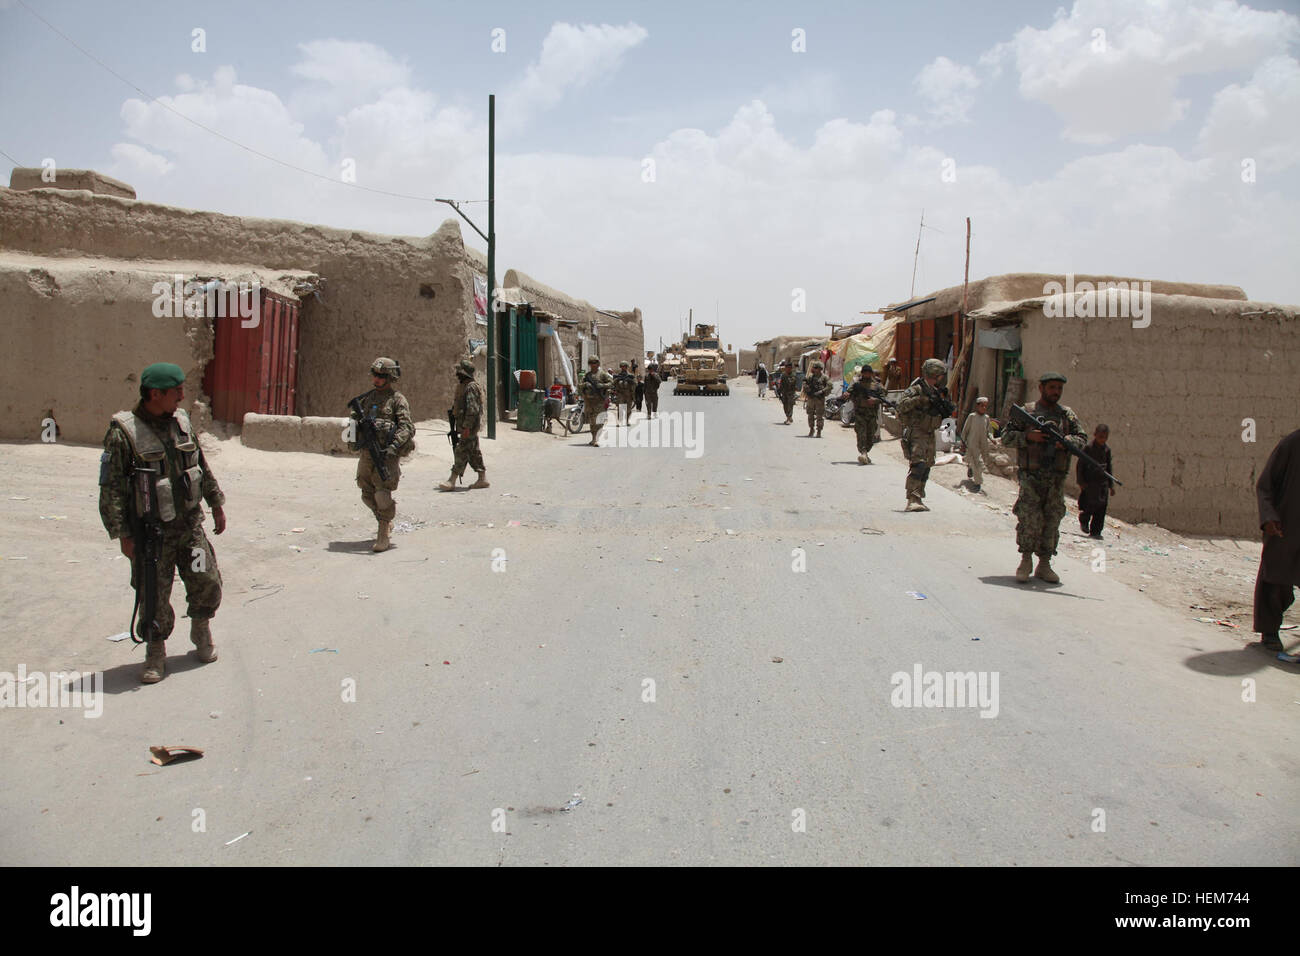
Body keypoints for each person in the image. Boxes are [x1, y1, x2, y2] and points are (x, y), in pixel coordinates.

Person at [99, 362, 226, 683]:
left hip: (189, 527)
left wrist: (216, 503)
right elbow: (111, 487)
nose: (182, 397)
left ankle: (201, 628)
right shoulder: (124, 433)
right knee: (153, 595)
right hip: (152, 534)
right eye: (176, 391)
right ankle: (155, 649)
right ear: (155, 394)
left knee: (206, 580)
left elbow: (200, 464)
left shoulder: (181, 422)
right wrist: (122, 534)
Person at [1001, 372, 1088, 583]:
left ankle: (1045, 564)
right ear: (1041, 388)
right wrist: (1028, 437)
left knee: (1052, 520)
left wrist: (1066, 442)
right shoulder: (1027, 412)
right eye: (1052, 388)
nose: (1056, 392)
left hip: (1056, 479)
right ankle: (1026, 560)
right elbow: (1005, 437)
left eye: (1059, 388)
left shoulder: (1066, 415)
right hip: (1031, 477)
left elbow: (1082, 439)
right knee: (1029, 518)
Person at [348, 357, 415, 551]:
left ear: (390, 377)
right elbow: (354, 421)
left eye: (381, 376)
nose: (376, 379)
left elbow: (406, 427)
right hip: (367, 453)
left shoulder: (397, 400)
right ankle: (384, 520)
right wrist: (354, 433)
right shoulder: (367, 399)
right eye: (375, 375)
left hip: (386, 454)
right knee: (366, 494)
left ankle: (383, 531)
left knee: (382, 494)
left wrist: (393, 447)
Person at [1253, 427, 1300, 653]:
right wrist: (1269, 517)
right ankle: (1269, 631)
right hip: (1286, 527)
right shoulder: (1293, 444)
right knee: (1275, 580)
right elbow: (1265, 485)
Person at [896, 358, 951, 512]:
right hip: (917, 432)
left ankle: (919, 496)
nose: (941, 378)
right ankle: (911, 498)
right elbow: (901, 405)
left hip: (929, 433)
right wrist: (920, 400)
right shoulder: (917, 389)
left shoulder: (936, 391)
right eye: (940, 374)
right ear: (934, 373)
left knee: (927, 466)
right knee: (918, 464)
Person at [439, 359, 489, 491]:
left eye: (459, 371)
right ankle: (482, 478)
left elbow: (472, 409)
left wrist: (467, 426)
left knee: (461, 451)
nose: (456, 374)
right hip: (465, 426)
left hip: (469, 426)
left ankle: (452, 479)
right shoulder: (463, 386)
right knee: (473, 452)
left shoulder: (471, 387)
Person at [1076, 424, 1117, 538]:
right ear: (1095, 435)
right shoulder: (1088, 448)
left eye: (1104, 437)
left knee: (1101, 509)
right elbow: (1080, 465)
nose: (1102, 439)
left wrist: (1111, 486)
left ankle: (1096, 532)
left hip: (1102, 483)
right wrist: (1081, 482)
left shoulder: (1106, 450)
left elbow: (1109, 468)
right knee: (1089, 505)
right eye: (1100, 437)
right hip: (1090, 483)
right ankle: (1084, 520)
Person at [845, 366, 884, 464]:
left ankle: (866, 452)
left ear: (871, 373)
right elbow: (849, 392)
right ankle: (863, 452)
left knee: (870, 436)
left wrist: (875, 400)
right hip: (860, 413)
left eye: (868, 372)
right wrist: (847, 394)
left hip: (872, 414)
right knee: (861, 434)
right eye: (864, 372)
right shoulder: (857, 384)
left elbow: (883, 397)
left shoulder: (877, 385)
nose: (866, 374)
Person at [960, 396, 993, 492]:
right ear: (977, 406)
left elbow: (989, 431)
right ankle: (978, 483)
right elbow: (965, 430)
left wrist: (992, 438)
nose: (984, 408)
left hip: (982, 444)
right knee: (978, 463)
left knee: (977, 461)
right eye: (982, 406)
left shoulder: (986, 418)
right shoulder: (972, 416)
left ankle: (970, 468)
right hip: (972, 443)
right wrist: (963, 442)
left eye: (985, 406)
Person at [580, 356, 614, 445]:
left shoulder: (603, 374)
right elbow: (580, 385)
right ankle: (594, 438)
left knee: (599, 420)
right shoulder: (587, 375)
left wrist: (602, 385)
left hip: (600, 401)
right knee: (592, 420)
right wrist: (585, 384)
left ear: (598, 363)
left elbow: (611, 383)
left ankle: (597, 438)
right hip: (590, 401)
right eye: (591, 363)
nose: (592, 365)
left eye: (594, 363)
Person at [802, 360, 832, 437]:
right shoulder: (811, 377)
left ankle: (819, 431)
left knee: (819, 415)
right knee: (810, 414)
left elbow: (829, 386)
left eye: (815, 368)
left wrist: (821, 391)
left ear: (820, 369)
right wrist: (806, 388)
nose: (814, 369)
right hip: (811, 398)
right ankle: (811, 429)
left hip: (819, 399)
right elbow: (805, 384)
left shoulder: (824, 377)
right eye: (814, 368)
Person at [613, 361, 636, 426]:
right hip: (620, 394)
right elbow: (613, 384)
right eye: (622, 367)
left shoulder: (630, 375)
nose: (623, 368)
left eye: (624, 367)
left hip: (628, 394)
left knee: (628, 409)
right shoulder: (618, 375)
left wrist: (630, 381)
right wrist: (617, 380)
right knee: (620, 408)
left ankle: (627, 421)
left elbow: (635, 384)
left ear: (626, 367)